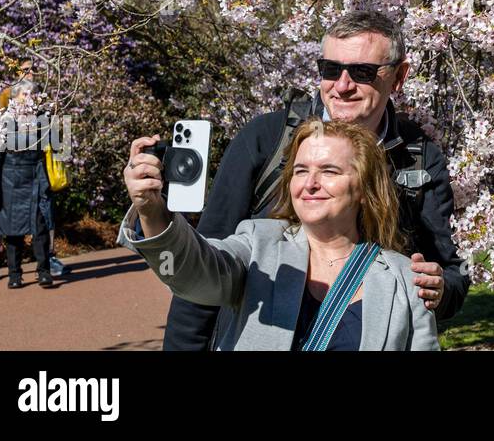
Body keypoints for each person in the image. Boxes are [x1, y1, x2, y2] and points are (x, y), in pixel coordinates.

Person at [162, 9, 468, 350]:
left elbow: (449, 276)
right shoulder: (267, 139)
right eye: (331, 70)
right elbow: (208, 261)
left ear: (398, 77)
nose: (342, 86)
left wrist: (439, 290)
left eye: (363, 72)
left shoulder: (419, 158)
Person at [121, 119, 439, 350]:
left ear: (362, 190)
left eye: (329, 171)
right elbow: (191, 275)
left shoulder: (403, 280)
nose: (310, 183)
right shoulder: (258, 243)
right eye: (301, 171)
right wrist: (152, 211)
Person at [0, 108, 55, 289]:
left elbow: (61, 147)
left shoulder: (43, 119)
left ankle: (44, 271)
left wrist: (54, 122)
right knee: (13, 234)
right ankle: (14, 274)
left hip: (37, 182)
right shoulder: (3, 123)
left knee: (41, 230)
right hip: (10, 186)